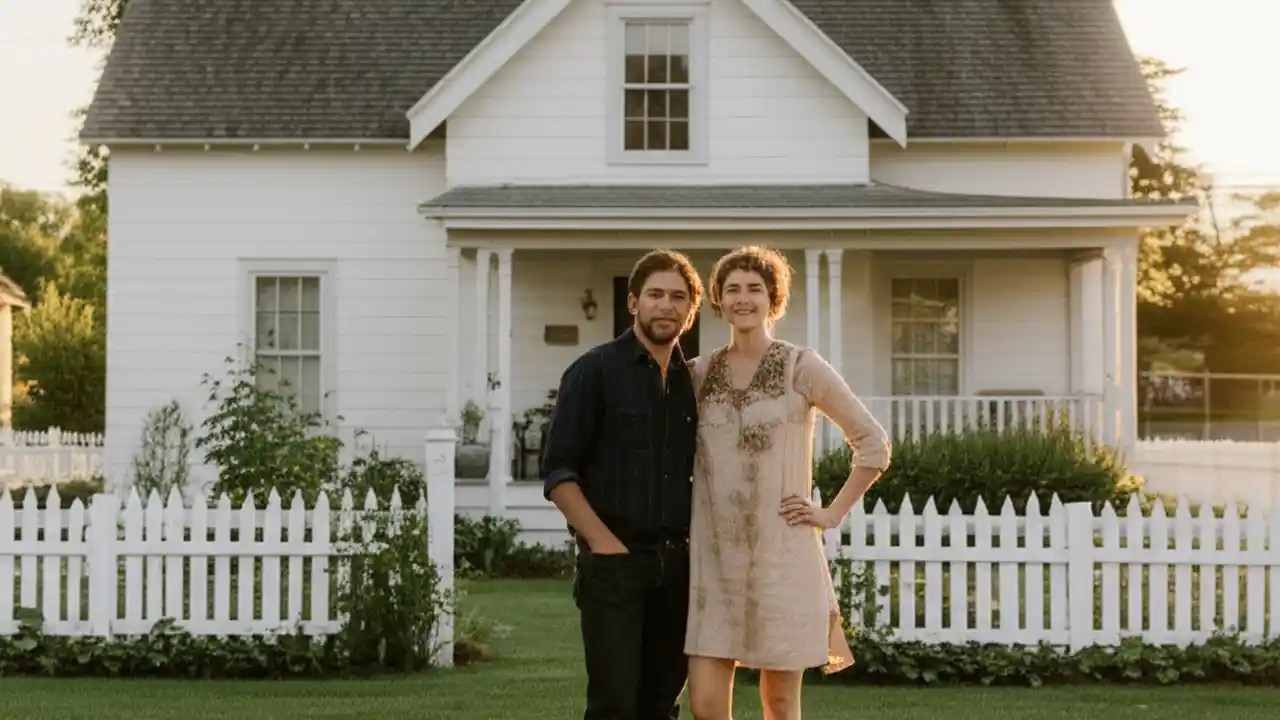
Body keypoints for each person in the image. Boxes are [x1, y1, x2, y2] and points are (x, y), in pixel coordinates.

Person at [684, 245, 891, 720]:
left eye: (754, 289)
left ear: (773, 300)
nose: (743, 298)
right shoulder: (699, 373)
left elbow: (873, 444)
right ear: (718, 300)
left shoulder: (802, 366)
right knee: (706, 705)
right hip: (714, 562)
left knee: (779, 703)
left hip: (782, 558)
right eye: (732, 289)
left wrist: (831, 513)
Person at [541, 249, 705, 720]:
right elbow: (559, 473)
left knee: (661, 705)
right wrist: (605, 544)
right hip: (615, 567)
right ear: (634, 302)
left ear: (691, 310)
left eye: (678, 297)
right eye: (655, 294)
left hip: (679, 569)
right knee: (613, 705)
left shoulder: (693, 383)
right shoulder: (594, 371)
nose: (666, 305)